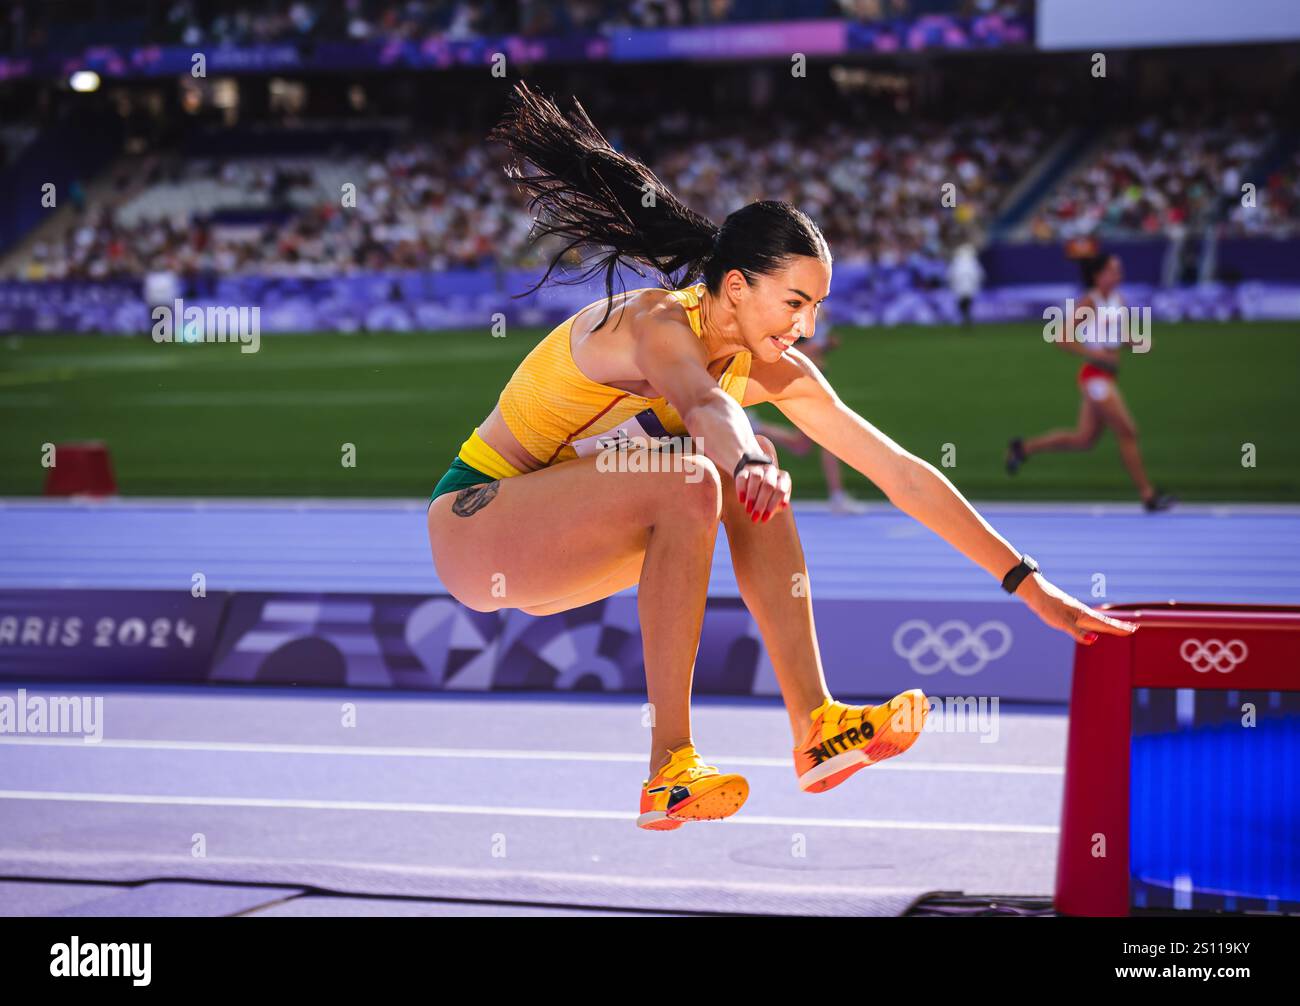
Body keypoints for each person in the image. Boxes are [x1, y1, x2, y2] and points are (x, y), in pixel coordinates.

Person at [426, 82, 1138, 831]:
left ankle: (817, 728)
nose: (806, 325)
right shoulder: (656, 325)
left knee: (729, 465)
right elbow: (704, 408)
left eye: (818, 308)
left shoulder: (772, 367)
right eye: (795, 303)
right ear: (735, 286)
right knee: (700, 474)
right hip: (478, 526)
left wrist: (1030, 586)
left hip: (566, 545)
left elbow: (899, 473)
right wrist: (745, 464)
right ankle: (669, 766)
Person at [1006, 252, 1176, 512]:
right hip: (1094, 377)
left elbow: (1114, 336)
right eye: (1113, 270)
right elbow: (1061, 337)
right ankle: (1148, 494)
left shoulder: (1118, 300)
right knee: (1128, 432)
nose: (1119, 274)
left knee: (1084, 440)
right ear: (1098, 275)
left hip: (1107, 376)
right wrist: (1093, 353)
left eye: (1119, 269)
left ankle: (1023, 448)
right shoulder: (1090, 302)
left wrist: (1136, 343)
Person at [746, 301, 869, 514]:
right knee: (832, 438)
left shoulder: (820, 309)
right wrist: (825, 346)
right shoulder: (796, 312)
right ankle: (837, 496)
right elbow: (790, 350)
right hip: (804, 380)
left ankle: (753, 426)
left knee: (801, 445)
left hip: (817, 378)